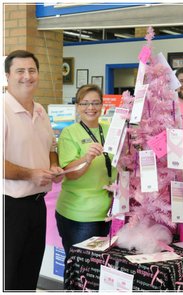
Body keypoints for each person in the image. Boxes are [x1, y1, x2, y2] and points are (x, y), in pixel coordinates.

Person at [3, 50, 65, 291]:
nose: (27, 76)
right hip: (9, 208)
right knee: (6, 276)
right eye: (20, 71)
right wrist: (31, 174)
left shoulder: (40, 110)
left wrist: (52, 165)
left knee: (29, 274)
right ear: (7, 75)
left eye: (32, 70)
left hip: (37, 205)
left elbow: (50, 146)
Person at [55, 84, 116, 277]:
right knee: (79, 270)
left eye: (95, 103)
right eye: (85, 103)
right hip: (79, 216)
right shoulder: (69, 133)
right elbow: (70, 173)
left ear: (102, 105)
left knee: (99, 271)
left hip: (108, 214)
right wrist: (87, 158)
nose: (91, 108)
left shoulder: (111, 129)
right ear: (77, 106)